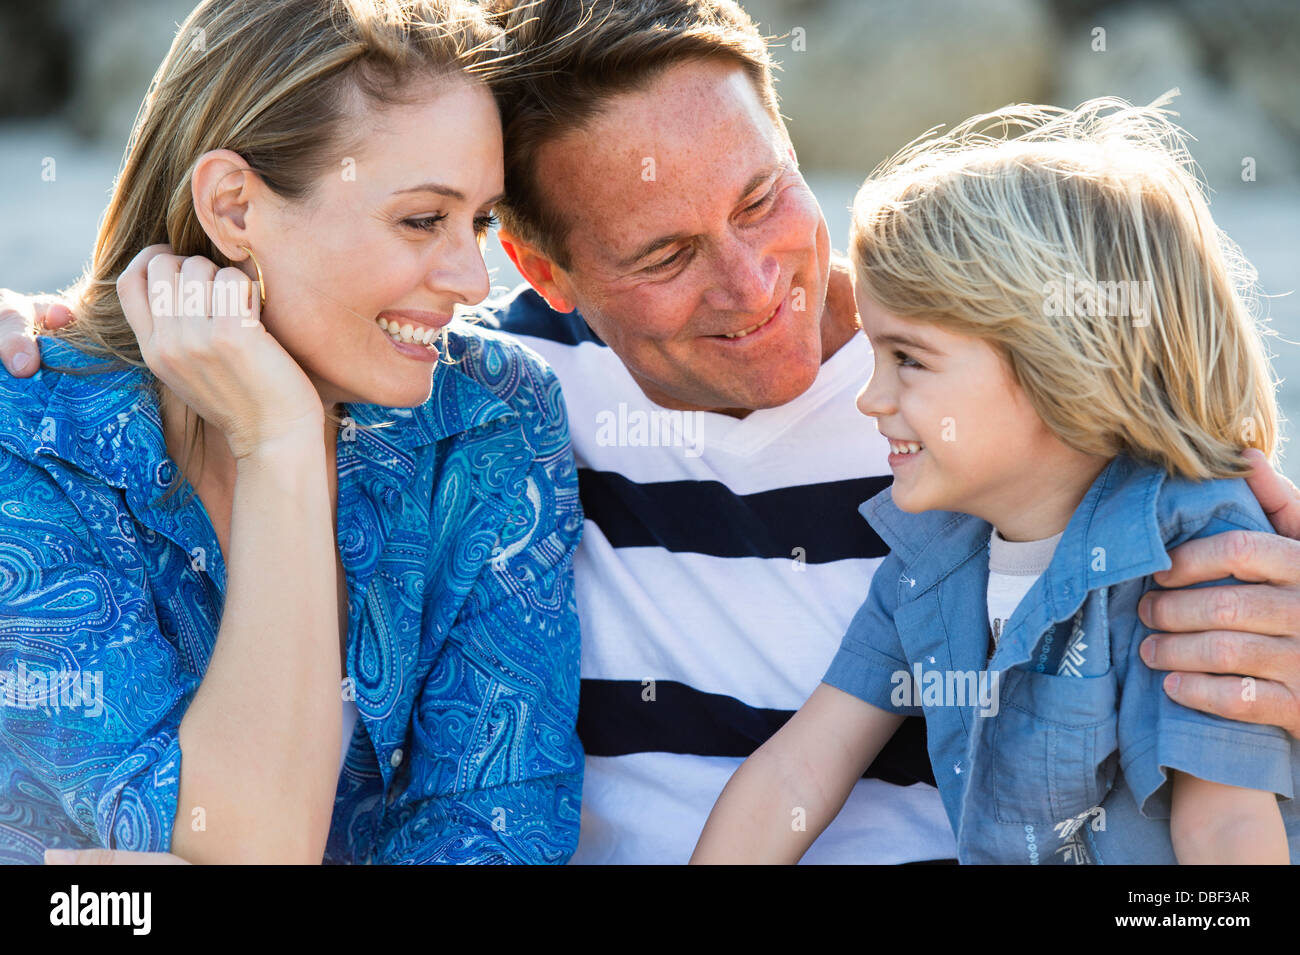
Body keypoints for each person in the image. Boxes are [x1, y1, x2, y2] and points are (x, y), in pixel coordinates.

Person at [5, 0, 1300, 865]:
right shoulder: (503, 386)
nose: (752, 286)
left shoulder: (1013, 405)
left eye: (766, 198)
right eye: (667, 252)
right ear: (548, 271)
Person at [0, 0, 583, 865]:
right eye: (423, 219)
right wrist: (277, 443)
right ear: (235, 209)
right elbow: (237, 847)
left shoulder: (490, 418)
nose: (470, 278)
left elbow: (498, 833)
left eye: (482, 222)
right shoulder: (34, 447)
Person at [691, 98, 1298, 864]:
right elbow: (797, 770)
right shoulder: (930, 558)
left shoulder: (1191, 552)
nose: (870, 397)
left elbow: (1226, 830)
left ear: (1062, 364)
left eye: (907, 358)